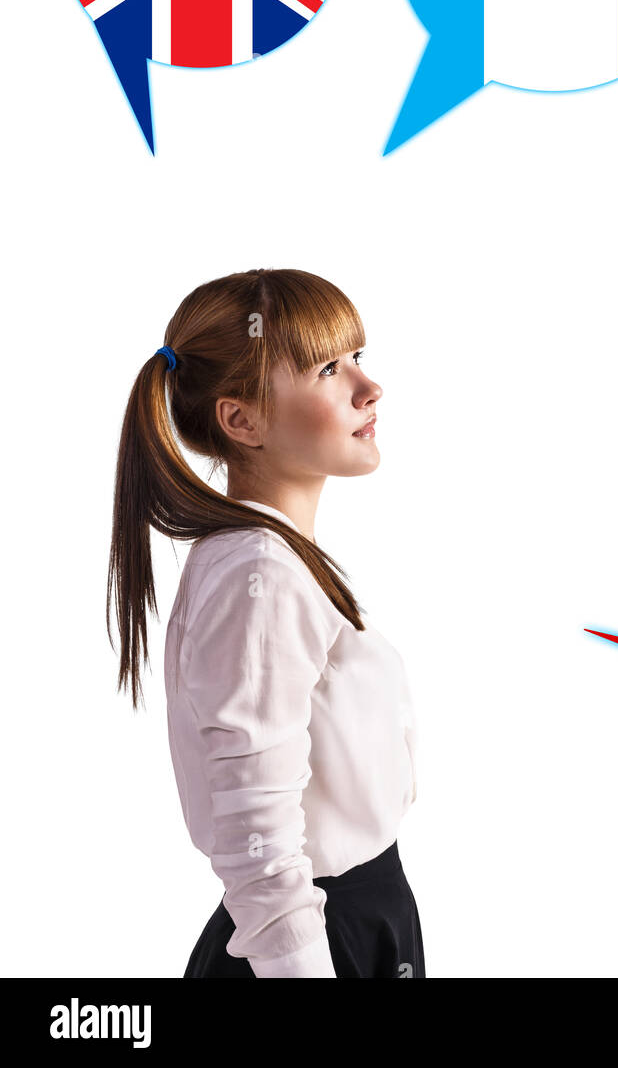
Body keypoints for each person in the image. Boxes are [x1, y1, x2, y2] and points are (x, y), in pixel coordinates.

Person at [106, 267, 423, 978]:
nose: (367, 389)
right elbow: (260, 846)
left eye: (359, 358)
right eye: (327, 368)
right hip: (319, 939)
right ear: (240, 419)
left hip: (357, 922)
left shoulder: (276, 563)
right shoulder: (262, 580)